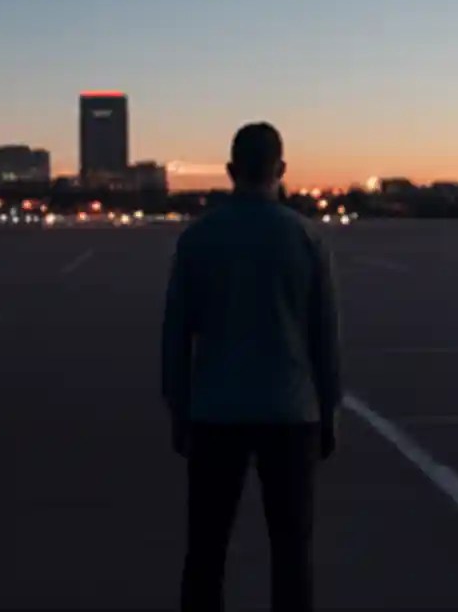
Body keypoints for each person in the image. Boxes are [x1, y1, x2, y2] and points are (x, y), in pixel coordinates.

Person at [161, 121, 342, 612]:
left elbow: (176, 334)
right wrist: (328, 413)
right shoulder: (307, 239)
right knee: (291, 556)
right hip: (290, 413)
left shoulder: (197, 239)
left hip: (216, 411)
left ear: (229, 171)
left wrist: (179, 409)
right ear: (281, 170)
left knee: (205, 552)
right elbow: (325, 337)